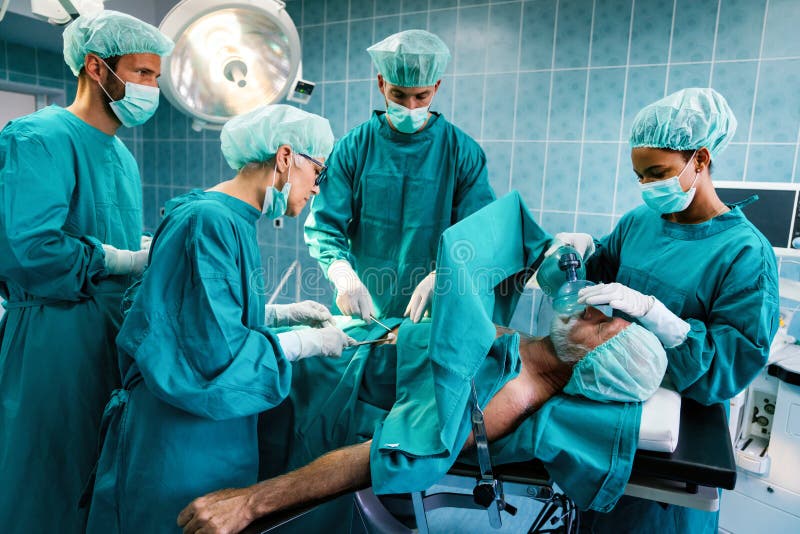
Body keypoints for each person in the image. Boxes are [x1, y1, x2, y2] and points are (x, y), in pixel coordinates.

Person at [84, 104, 355, 533]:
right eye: (318, 174)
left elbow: (197, 310)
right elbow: (210, 349)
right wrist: (306, 342)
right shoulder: (206, 220)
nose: (318, 189)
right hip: (181, 438)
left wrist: (279, 313)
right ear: (286, 158)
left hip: (214, 432)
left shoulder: (234, 219)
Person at [176, 306, 667, 533]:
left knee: (193, 396)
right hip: (346, 342)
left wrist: (250, 504)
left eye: (601, 323)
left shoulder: (503, 396)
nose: (590, 309)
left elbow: (381, 459)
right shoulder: (529, 350)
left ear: (589, 362)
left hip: (322, 388)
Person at [568, 88, 780, 533]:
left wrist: (661, 319)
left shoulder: (745, 252)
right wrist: (572, 254)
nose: (647, 186)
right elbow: (593, 274)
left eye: (657, 173)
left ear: (700, 159)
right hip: (615, 410)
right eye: (639, 176)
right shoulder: (637, 223)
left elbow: (731, 364)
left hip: (679, 432)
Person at [0, 10, 173, 533]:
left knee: (95, 483)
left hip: (106, 339)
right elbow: (28, 249)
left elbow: (108, 231)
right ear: (97, 68)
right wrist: (118, 259)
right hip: (51, 344)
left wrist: (142, 249)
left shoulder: (122, 155)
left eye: (156, 78)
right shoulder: (37, 136)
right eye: (143, 73)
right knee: (44, 484)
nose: (152, 88)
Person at [304, 29, 496, 323]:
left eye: (421, 96)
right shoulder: (353, 148)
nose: (410, 107)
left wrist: (445, 275)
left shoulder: (462, 152)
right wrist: (341, 273)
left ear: (437, 87)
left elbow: (477, 232)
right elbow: (324, 227)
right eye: (399, 95)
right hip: (364, 311)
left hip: (433, 312)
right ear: (381, 84)